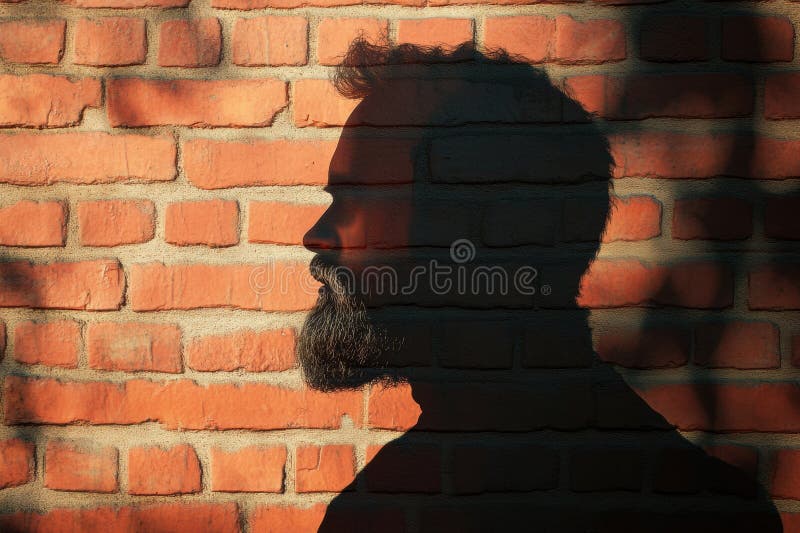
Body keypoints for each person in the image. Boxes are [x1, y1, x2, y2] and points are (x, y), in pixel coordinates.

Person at [297, 38, 782, 532]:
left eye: (352, 198)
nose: (316, 236)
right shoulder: (714, 509)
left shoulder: (380, 516)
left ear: (473, 230)